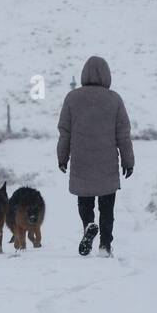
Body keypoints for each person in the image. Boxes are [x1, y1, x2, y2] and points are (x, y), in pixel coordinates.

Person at [56, 56, 134, 257]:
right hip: (106, 163)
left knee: (85, 202)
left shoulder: (72, 98)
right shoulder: (114, 99)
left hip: (82, 162)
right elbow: (123, 134)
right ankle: (105, 246)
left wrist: (62, 157)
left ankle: (88, 226)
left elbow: (65, 131)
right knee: (107, 208)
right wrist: (128, 161)